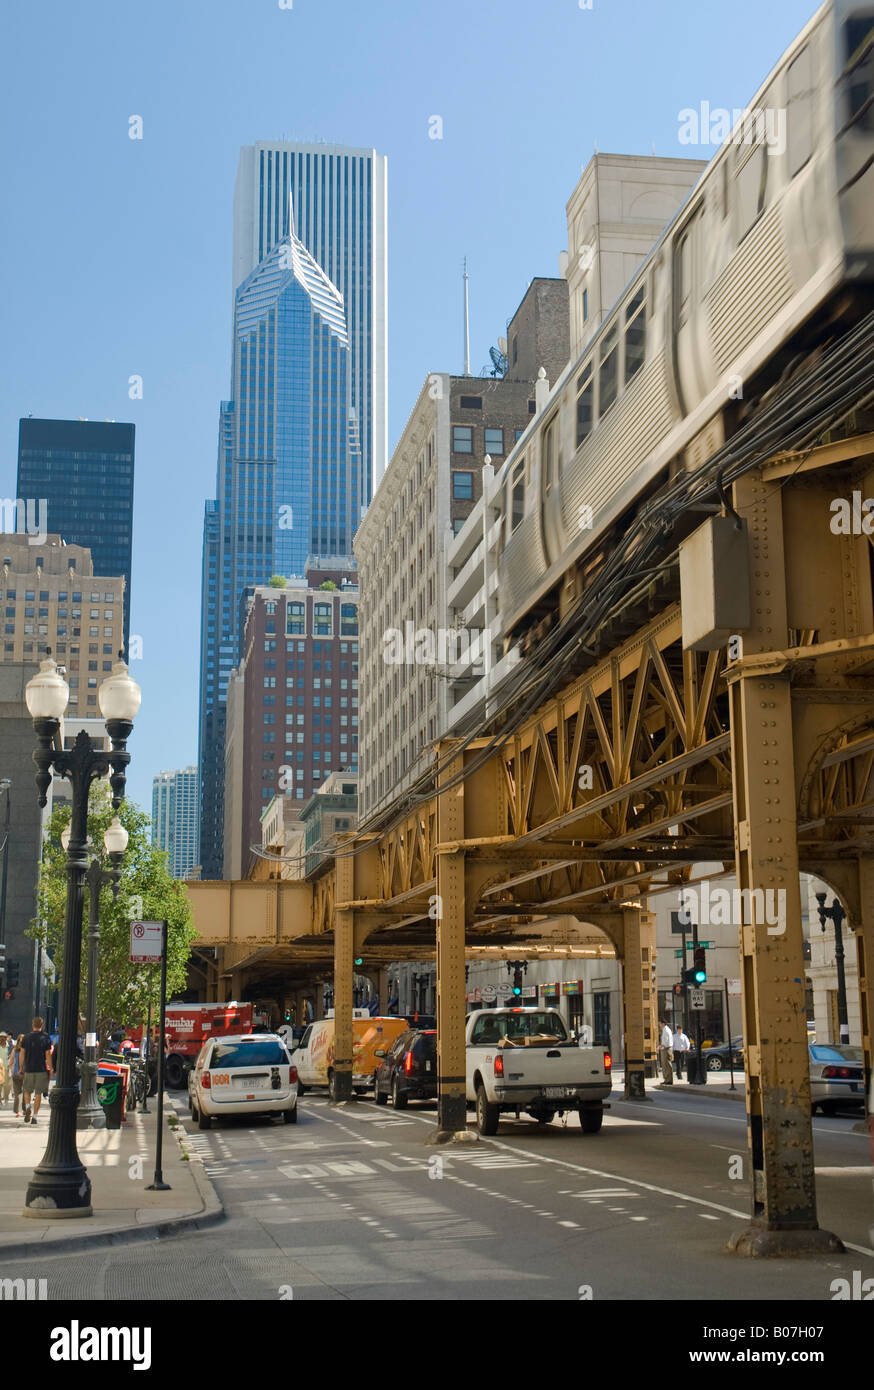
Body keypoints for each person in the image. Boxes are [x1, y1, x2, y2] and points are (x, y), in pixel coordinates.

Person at [18, 1016, 54, 1125]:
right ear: (42, 1025)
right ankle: (35, 1116)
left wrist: (21, 1067)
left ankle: (28, 1106)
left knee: (26, 1091)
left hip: (28, 1068)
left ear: (33, 1025)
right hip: (41, 1069)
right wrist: (51, 1068)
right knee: (38, 1093)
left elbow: (22, 1053)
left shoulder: (26, 1037)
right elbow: (48, 1054)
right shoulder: (46, 1037)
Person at [10, 1034, 24, 1116]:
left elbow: (11, 1062)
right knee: (25, 1092)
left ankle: (17, 1111)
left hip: (15, 1073)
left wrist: (12, 1070)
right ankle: (24, 1110)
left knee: (17, 1093)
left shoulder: (14, 1050)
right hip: (24, 1073)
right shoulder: (27, 1050)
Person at [659, 1019, 674, 1084]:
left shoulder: (666, 1030)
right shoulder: (664, 1030)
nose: (659, 1025)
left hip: (666, 1049)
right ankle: (666, 1079)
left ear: (663, 1023)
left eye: (659, 1023)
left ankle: (669, 1080)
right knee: (664, 1065)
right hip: (664, 1048)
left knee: (667, 1064)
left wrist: (662, 1045)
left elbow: (667, 1041)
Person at [0, 1033, 9, 1107]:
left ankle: (6, 1098)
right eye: (1, 1037)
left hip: (6, 1068)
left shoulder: (9, 1046)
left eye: (3, 1037)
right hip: (0, 1069)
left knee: (7, 1085)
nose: (2, 1039)